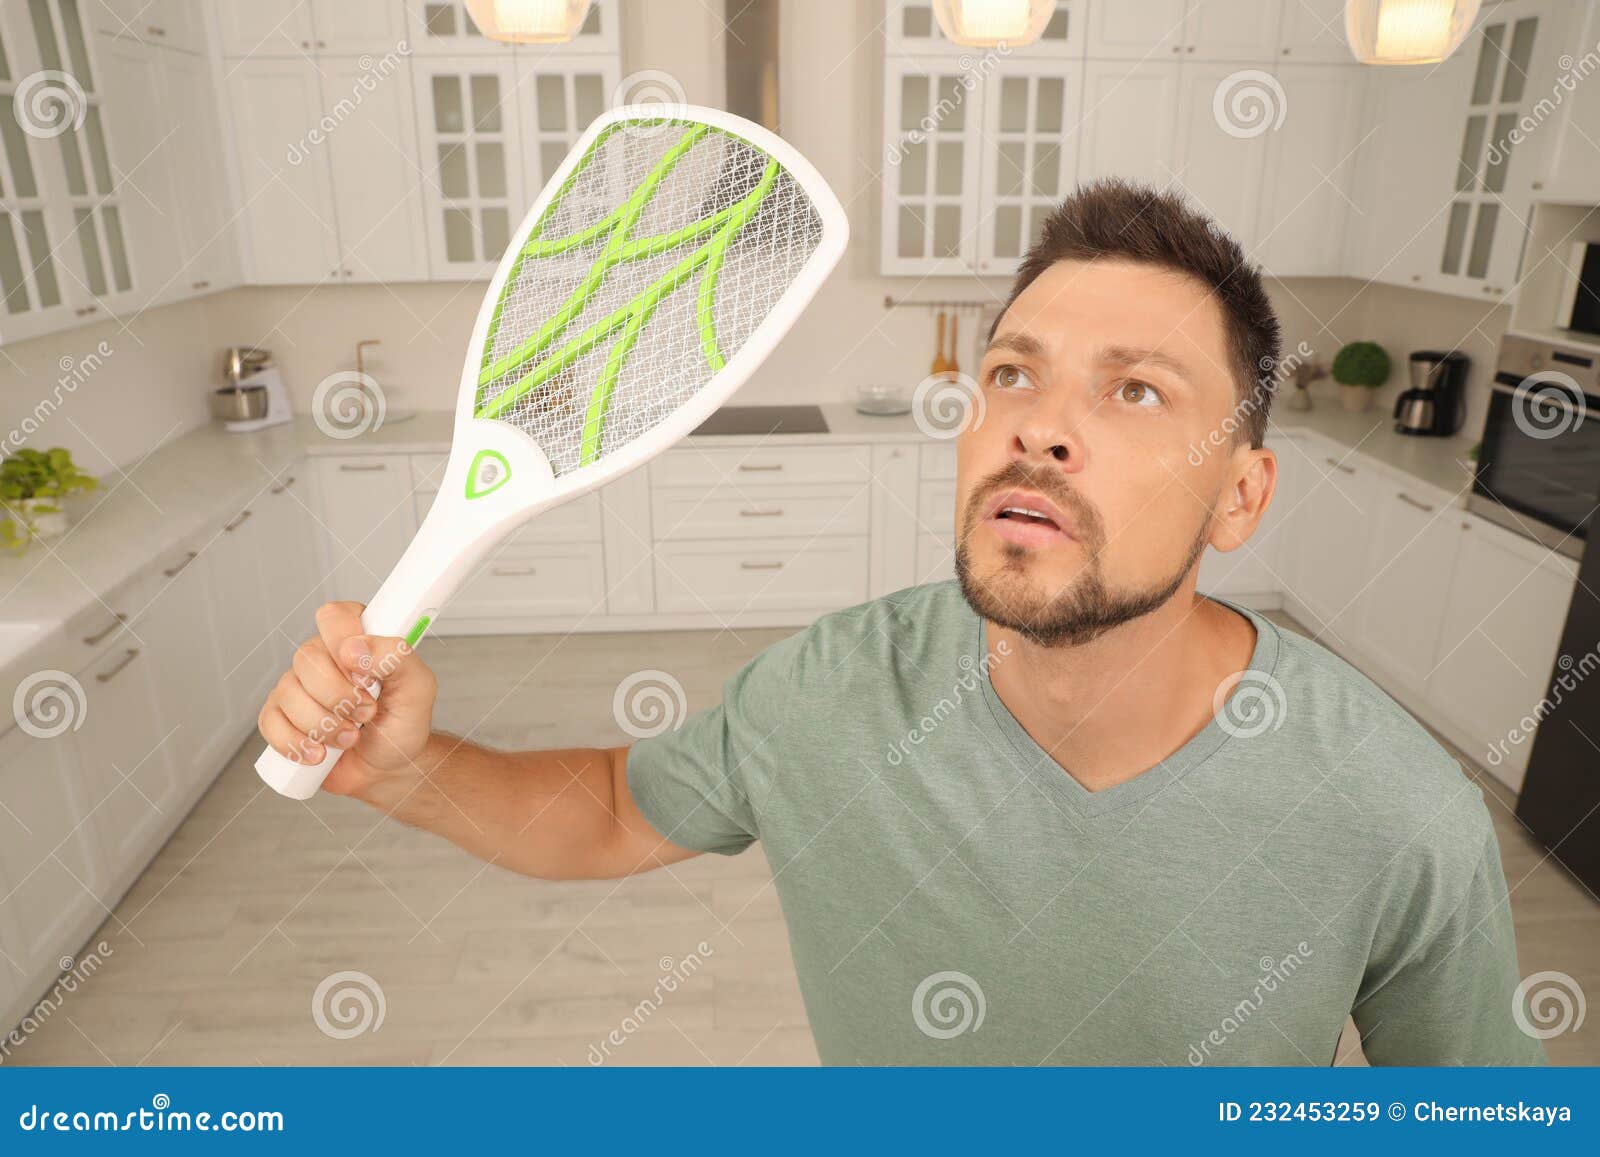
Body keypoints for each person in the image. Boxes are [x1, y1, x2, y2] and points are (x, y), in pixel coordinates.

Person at [258, 179, 1545, 1066]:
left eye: (1135, 391)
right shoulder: (828, 691)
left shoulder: (1393, 810)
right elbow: (609, 806)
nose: (1039, 425)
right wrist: (408, 771)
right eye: (1012, 372)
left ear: (1239, 495)